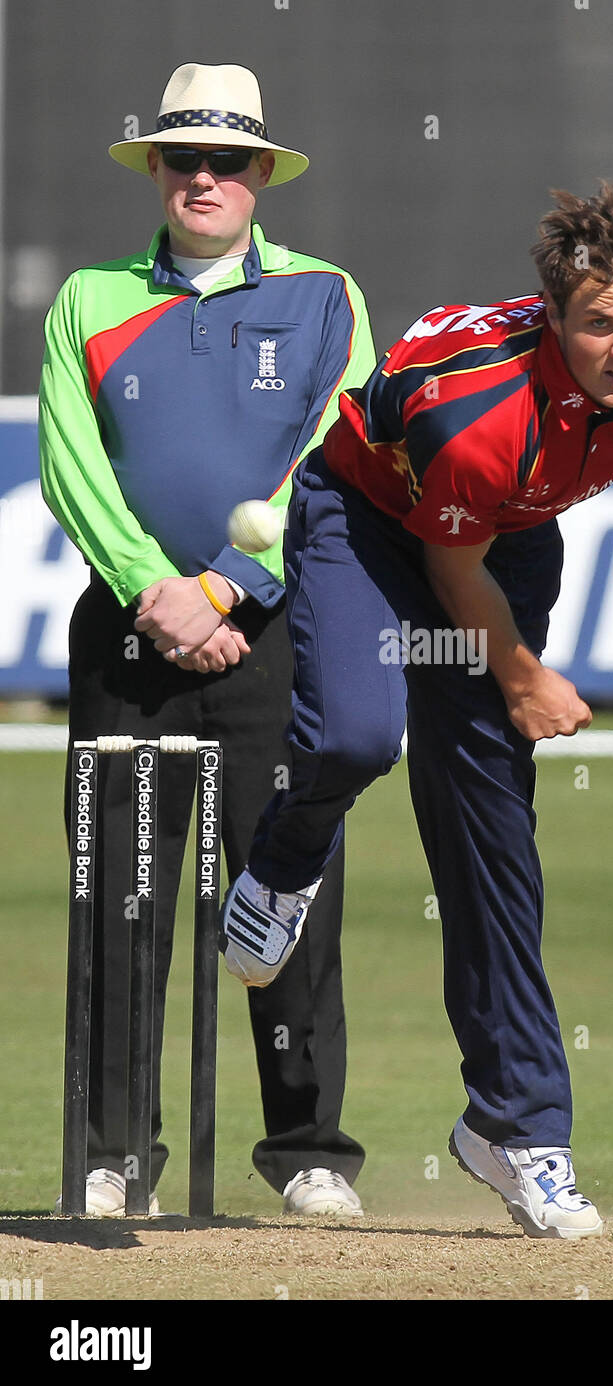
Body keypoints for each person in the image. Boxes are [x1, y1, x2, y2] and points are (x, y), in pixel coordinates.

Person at [221, 163, 613, 1238]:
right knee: (358, 738)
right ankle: (283, 865)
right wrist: (522, 677)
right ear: (553, 316)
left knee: (492, 839)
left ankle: (515, 1132)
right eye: (600, 323)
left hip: (505, 528)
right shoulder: (482, 415)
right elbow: (447, 569)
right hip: (377, 511)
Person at [40, 62, 376, 1217]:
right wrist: (157, 592)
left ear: (258, 175)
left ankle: (309, 1150)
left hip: (278, 631)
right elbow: (71, 471)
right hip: (130, 637)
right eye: (184, 156)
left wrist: (227, 590)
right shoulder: (87, 298)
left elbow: (338, 459)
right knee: (118, 896)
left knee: (284, 888)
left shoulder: (325, 294)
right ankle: (113, 1152)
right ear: (157, 169)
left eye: (227, 159)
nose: (204, 177)